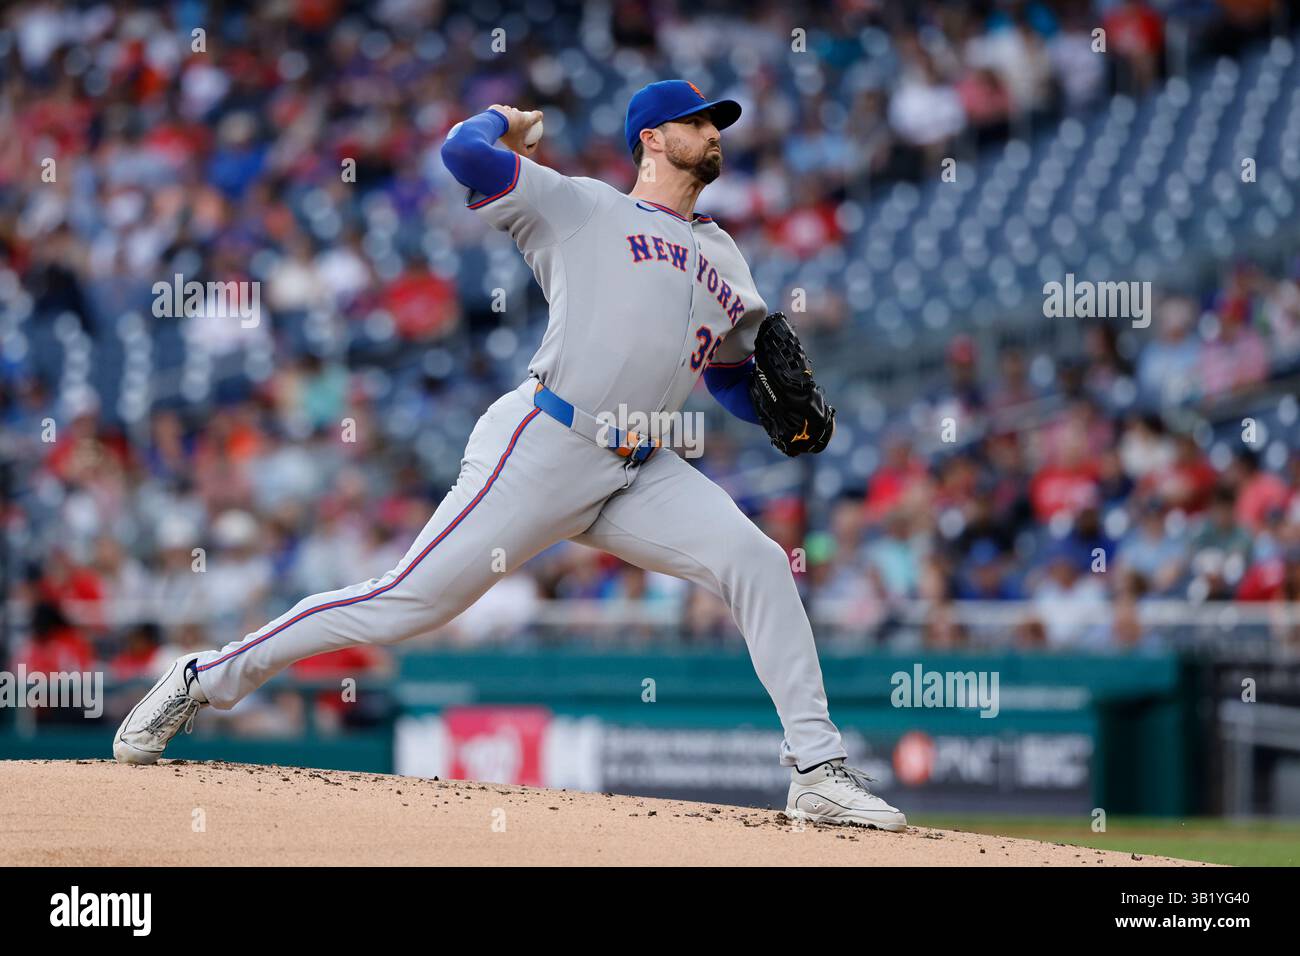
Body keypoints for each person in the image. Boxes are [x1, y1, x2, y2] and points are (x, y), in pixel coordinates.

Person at [113, 80, 906, 831]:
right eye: (700, 122)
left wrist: (779, 422)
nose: (713, 133)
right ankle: (202, 679)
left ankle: (818, 771)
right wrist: (503, 120)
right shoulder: (582, 206)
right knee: (407, 602)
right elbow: (464, 152)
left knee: (759, 561)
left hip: (637, 467)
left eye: (717, 124)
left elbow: (733, 377)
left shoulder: (725, 254)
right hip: (545, 439)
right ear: (654, 139)